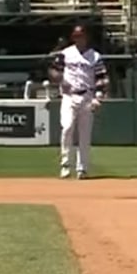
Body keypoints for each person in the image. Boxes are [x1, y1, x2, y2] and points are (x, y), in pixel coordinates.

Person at [56, 25, 107, 179]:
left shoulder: (95, 56)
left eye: (81, 36)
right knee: (67, 128)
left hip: (87, 96)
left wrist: (98, 97)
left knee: (84, 135)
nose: (79, 39)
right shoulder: (65, 54)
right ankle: (65, 165)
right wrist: (59, 79)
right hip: (69, 96)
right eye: (76, 36)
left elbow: (102, 78)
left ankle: (82, 168)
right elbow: (53, 70)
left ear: (86, 37)